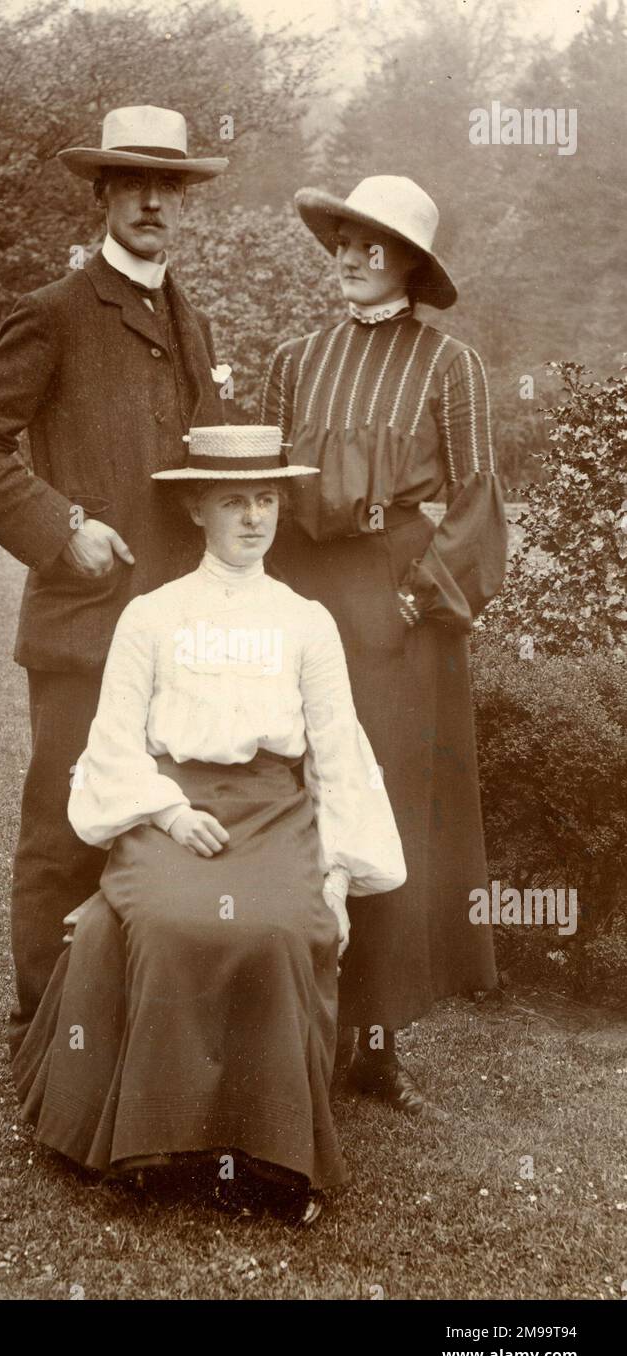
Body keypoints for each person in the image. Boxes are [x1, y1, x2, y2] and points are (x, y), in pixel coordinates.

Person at [12, 424, 406, 1223]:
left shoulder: (307, 622)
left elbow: (336, 748)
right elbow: (114, 739)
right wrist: (167, 809)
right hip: (170, 809)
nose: (254, 518)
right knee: (169, 922)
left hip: (273, 814)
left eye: (266, 499)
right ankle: (160, 1144)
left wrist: (336, 874)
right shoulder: (152, 617)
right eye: (234, 501)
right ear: (197, 508)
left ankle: (273, 1157)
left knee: (280, 929)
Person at [0, 106, 228, 1056]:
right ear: (102, 195)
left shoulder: (193, 319)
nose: (152, 200)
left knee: (159, 814)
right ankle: (43, 1025)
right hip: (85, 626)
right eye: (133, 183)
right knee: (67, 822)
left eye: (168, 185)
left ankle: (136, 1016)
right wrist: (65, 529)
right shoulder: (55, 310)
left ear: (181, 200)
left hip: (181, 626)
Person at [260, 176, 509, 1115]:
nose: (352, 258)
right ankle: (297, 1026)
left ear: (410, 261)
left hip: (397, 605)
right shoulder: (292, 359)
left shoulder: (452, 366)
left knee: (387, 806)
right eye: (342, 242)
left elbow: (481, 500)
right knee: (296, 786)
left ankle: (375, 1042)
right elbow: (266, 489)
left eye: (373, 245)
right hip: (301, 587)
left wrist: (416, 597)